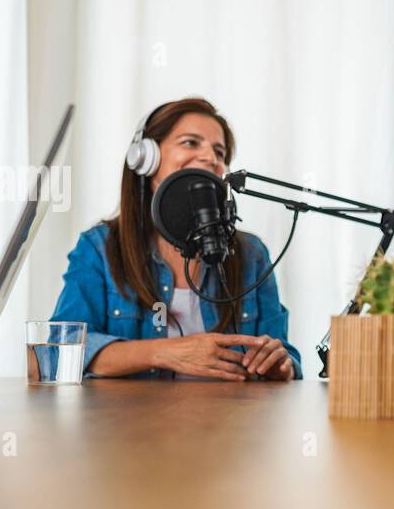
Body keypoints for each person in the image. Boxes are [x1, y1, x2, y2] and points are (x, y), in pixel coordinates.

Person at [51, 97, 300, 381]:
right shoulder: (100, 248)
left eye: (219, 152)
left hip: (230, 421)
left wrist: (281, 364)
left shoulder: (250, 253)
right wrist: (167, 352)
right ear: (145, 158)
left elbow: (285, 354)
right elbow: (60, 351)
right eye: (191, 143)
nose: (211, 158)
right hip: (130, 422)